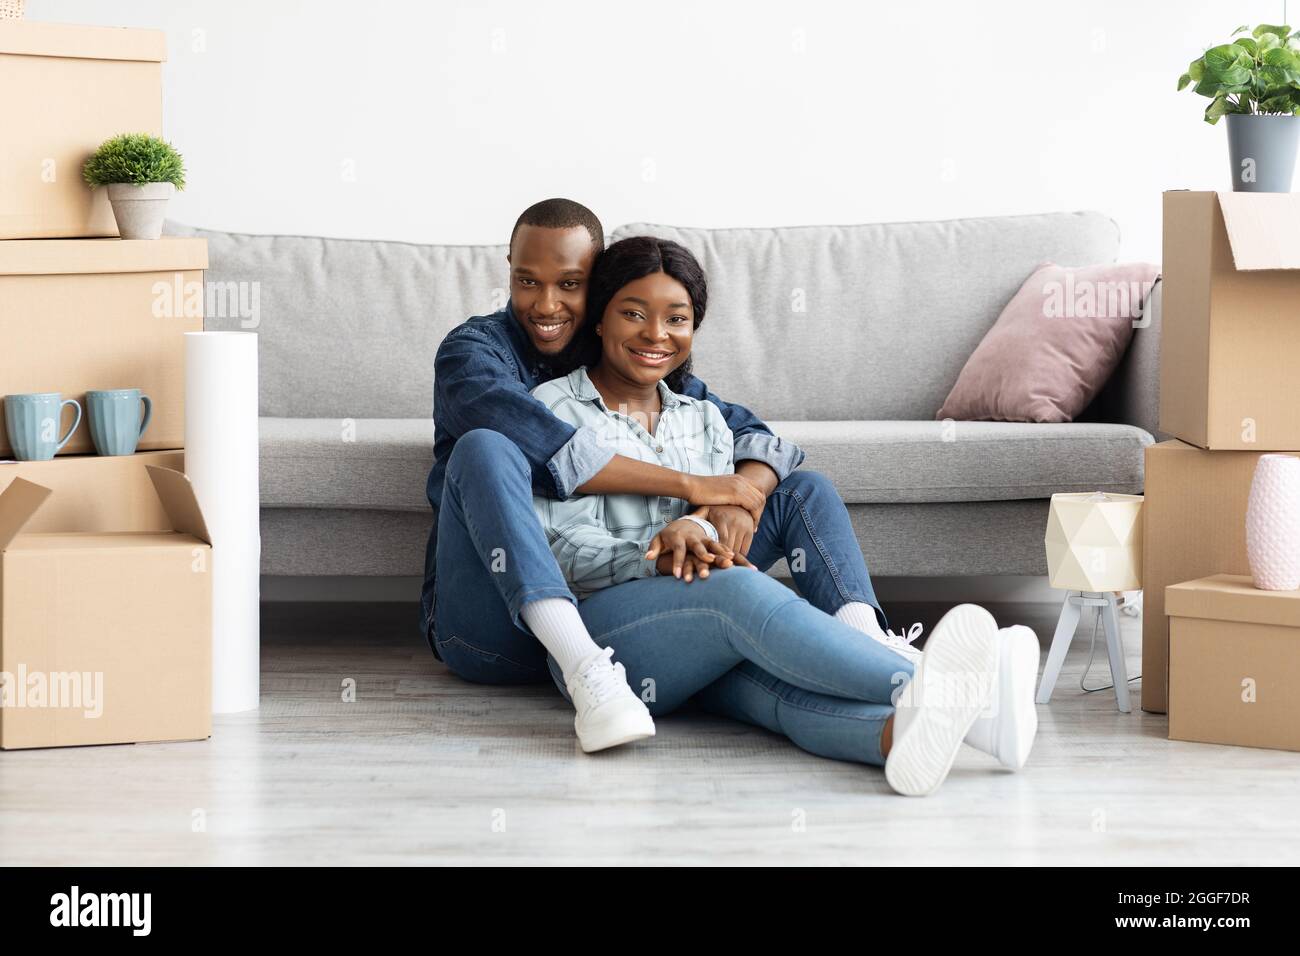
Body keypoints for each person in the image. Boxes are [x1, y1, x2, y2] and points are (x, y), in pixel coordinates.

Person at [529, 236, 1041, 795]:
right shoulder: (552, 409)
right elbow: (556, 553)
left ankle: (897, 737)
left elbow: (741, 499)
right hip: (611, 635)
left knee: (768, 684)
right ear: (598, 321)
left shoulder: (703, 419)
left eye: (676, 318)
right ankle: (966, 695)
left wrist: (704, 522)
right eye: (633, 314)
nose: (656, 334)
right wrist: (658, 552)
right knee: (734, 591)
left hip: (695, 645)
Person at [425, 198, 839, 753]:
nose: (546, 303)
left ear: (597, 288)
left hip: (618, 610)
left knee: (800, 491)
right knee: (483, 448)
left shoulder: (629, 347)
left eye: (569, 284)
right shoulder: (474, 353)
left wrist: (736, 501)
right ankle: (582, 665)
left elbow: (753, 435)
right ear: (509, 271)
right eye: (527, 281)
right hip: (492, 628)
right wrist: (693, 487)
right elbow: (554, 452)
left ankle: (873, 644)